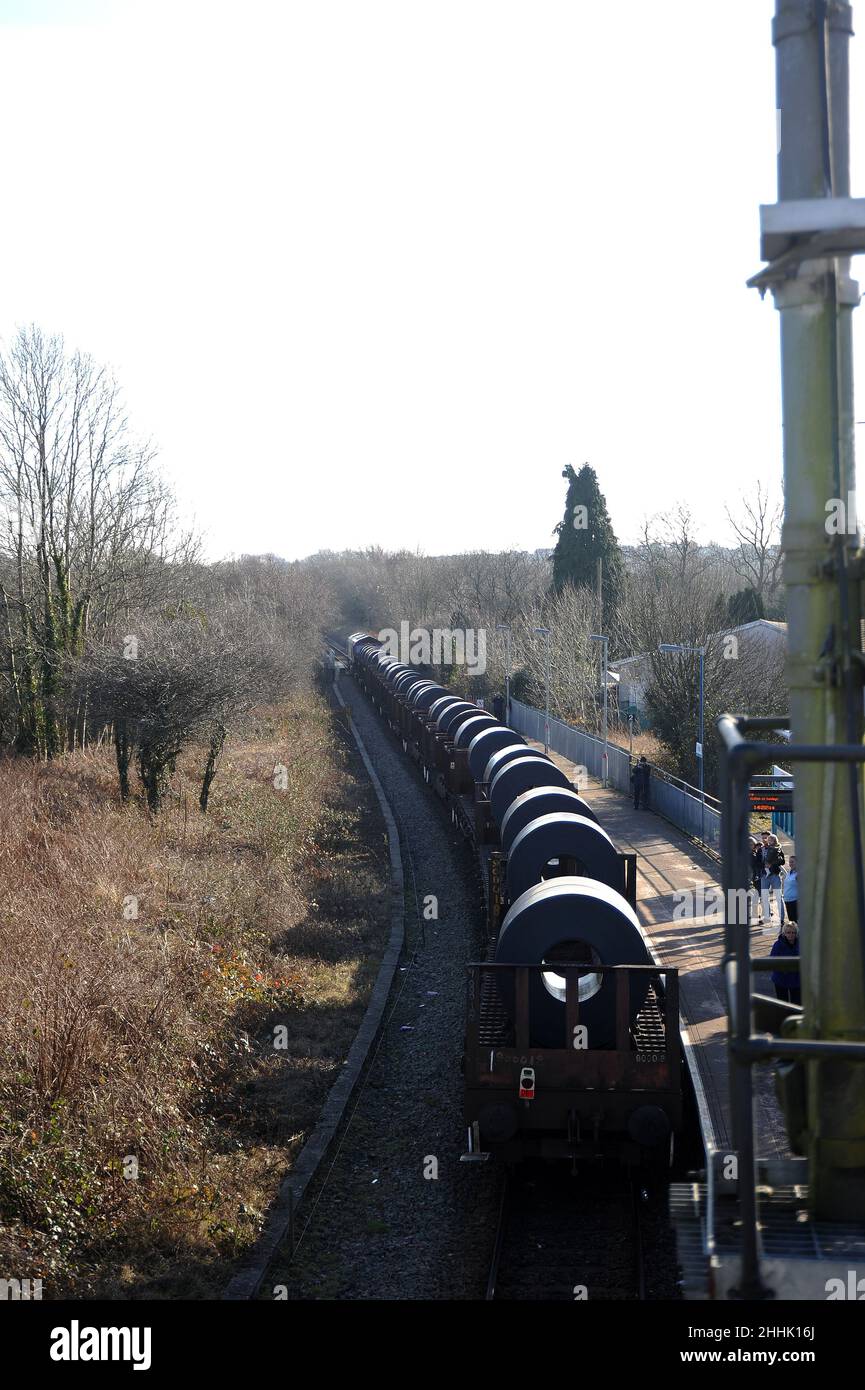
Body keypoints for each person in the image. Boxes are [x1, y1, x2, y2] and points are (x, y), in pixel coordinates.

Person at [770, 919, 801, 1005]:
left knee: (797, 1005)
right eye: (788, 932)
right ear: (784, 933)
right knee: (782, 1005)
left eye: (793, 933)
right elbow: (773, 961)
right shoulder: (778, 945)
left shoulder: (801, 944)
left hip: (796, 979)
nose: (791, 935)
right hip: (781, 979)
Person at [760, 830, 786, 925]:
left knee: (779, 897)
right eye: (763, 838)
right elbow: (758, 862)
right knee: (764, 897)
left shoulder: (777, 848)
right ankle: (767, 916)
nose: (765, 839)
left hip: (775, 875)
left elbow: (782, 861)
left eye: (766, 837)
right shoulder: (761, 849)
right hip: (764, 876)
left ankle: (782, 919)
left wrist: (771, 864)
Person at [749, 836, 764, 923]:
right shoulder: (751, 854)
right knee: (759, 896)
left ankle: (756, 913)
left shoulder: (754, 853)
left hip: (756, 878)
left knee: (757, 896)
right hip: (755, 878)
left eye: (752, 844)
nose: (750, 845)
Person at [783, 854, 798, 923]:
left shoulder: (798, 874)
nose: (790, 864)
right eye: (789, 862)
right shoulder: (789, 873)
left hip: (795, 901)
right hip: (787, 900)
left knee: (796, 922)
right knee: (792, 922)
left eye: (792, 862)